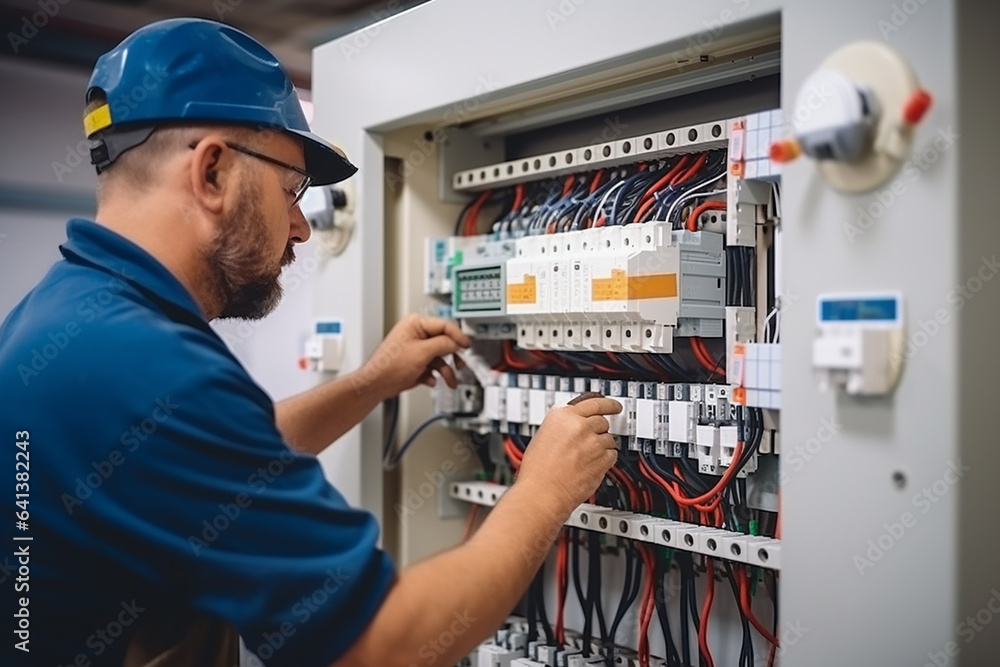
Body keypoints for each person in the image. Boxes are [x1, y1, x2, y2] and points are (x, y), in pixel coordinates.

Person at [0, 18, 621, 667]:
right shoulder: (152, 367)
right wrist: (545, 490)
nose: (300, 226)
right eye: (291, 190)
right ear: (212, 171)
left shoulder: (71, 316)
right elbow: (381, 644)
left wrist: (371, 381)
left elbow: (211, 458)